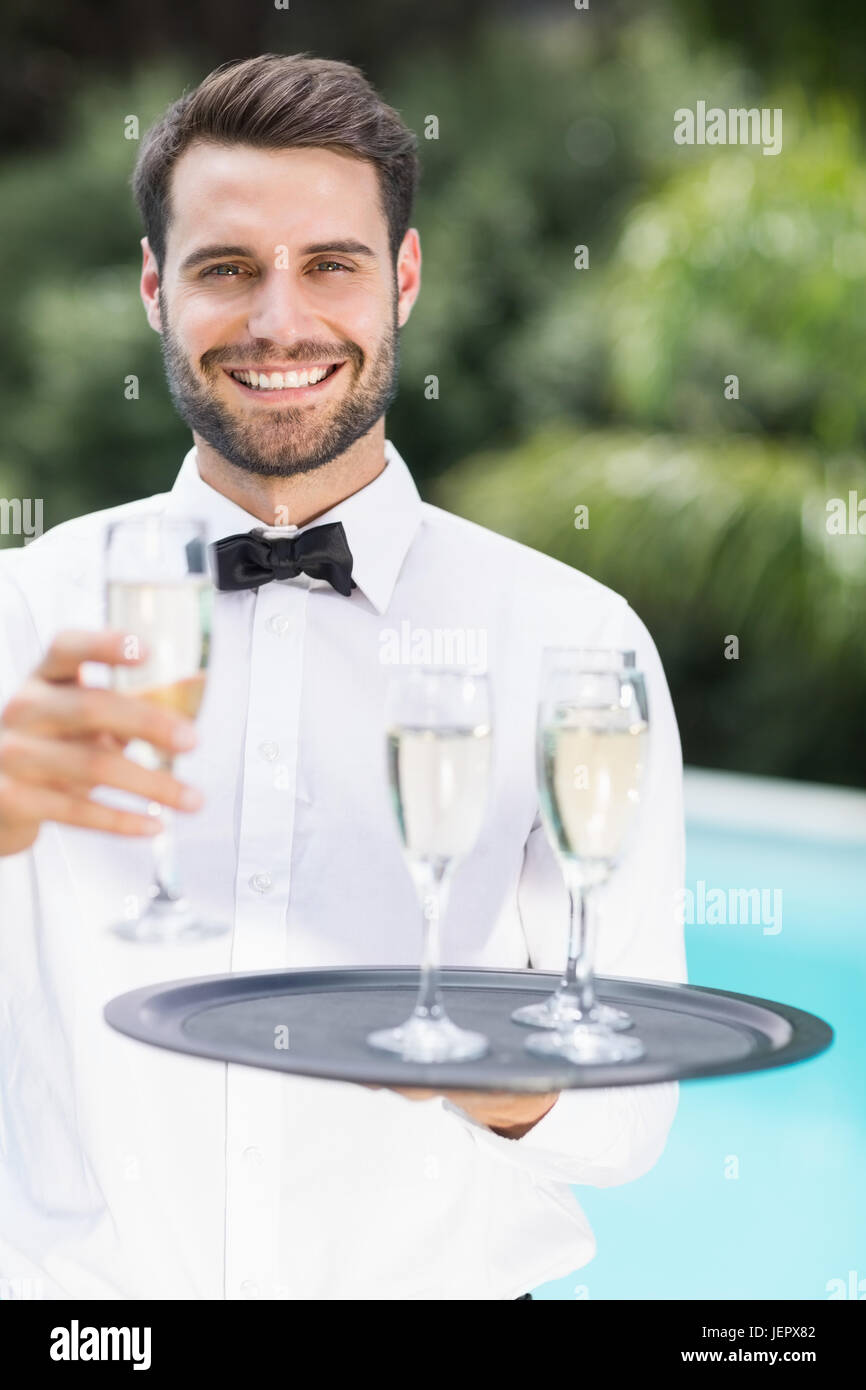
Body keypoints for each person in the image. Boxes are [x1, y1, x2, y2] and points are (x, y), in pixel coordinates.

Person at [0, 52, 686, 1301]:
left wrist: (493, 1071)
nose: (277, 322)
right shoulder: (20, 616)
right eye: (224, 268)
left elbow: (629, 1116)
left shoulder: (576, 643)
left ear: (403, 280)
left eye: (330, 264)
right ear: (155, 289)